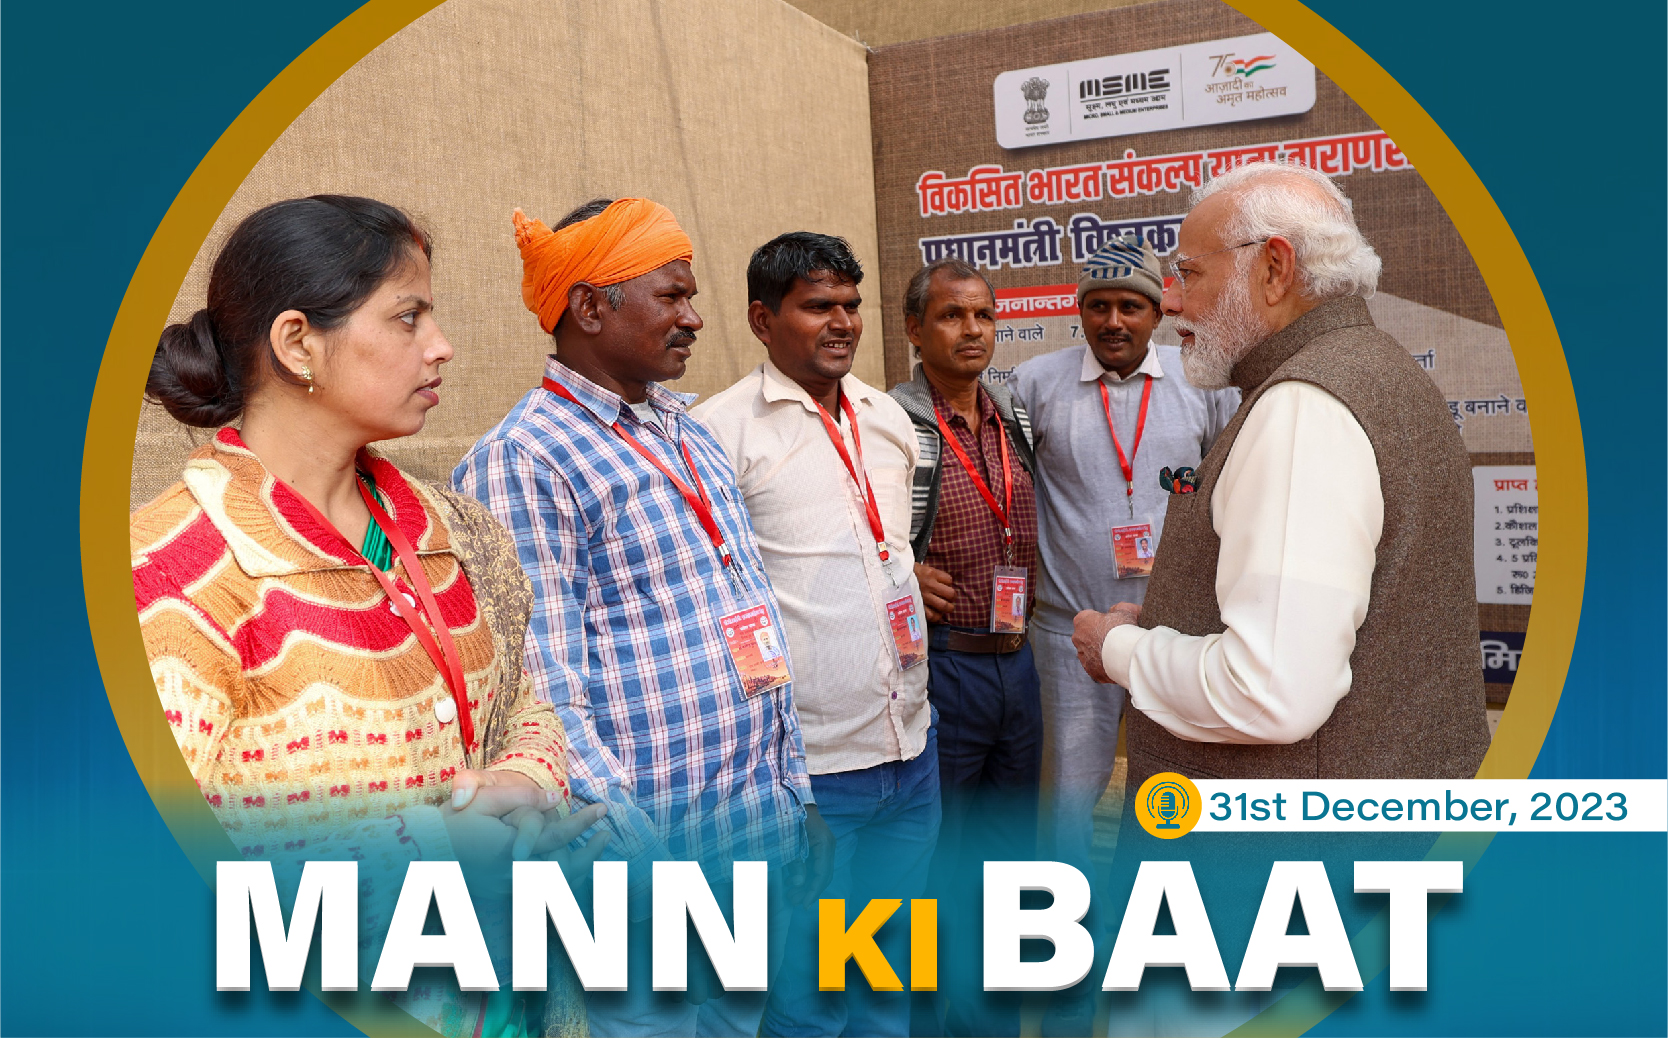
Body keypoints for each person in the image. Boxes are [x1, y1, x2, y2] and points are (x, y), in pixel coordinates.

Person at [131, 195, 601, 1037]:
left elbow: (522, 707)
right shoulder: (174, 575)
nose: (441, 345)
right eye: (407, 317)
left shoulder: (453, 529)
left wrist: (524, 780)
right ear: (297, 344)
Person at [454, 198, 832, 1038]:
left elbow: (748, 621)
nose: (694, 318)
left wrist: (796, 801)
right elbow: (545, 694)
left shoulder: (684, 428)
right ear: (590, 307)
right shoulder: (524, 459)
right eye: (671, 296)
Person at [1073, 161, 1491, 784]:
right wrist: (1169, 629)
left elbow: (1266, 692)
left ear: (1274, 268)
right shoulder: (1376, 368)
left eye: (1189, 273)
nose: (1172, 301)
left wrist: (1116, 648)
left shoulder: (1302, 407)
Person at [694, 232, 937, 1038]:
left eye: (851, 305)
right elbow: (721, 607)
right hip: (813, 772)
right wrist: (774, 772)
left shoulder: (888, 418)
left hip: (911, 747)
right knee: (808, 1000)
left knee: (885, 974)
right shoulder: (719, 433)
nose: (843, 322)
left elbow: (892, 557)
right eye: (818, 306)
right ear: (763, 320)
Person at [1009, 233, 1237, 1034]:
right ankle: (1067, 977)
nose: (1113, 321)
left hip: (1172, 638)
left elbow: (1229, 490)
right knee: (1068, 807)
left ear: (1156, 312)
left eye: (1130, 306)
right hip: (1067, 635)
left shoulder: (1199, 382)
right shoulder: (1035, 384)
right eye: (1098, 306)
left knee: (1170, 796)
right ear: (1080, 312)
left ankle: (1156, 957)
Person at [888, 257, 1039, 1038]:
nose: (972, 330)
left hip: (1018, 663)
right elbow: (855, 529)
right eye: (951, 316)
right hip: (945, 667)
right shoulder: (890, 426)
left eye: (983, 315)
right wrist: (900, 568)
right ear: (915, 331)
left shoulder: (1010, 415)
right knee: (939, 862)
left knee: (1009, 859)